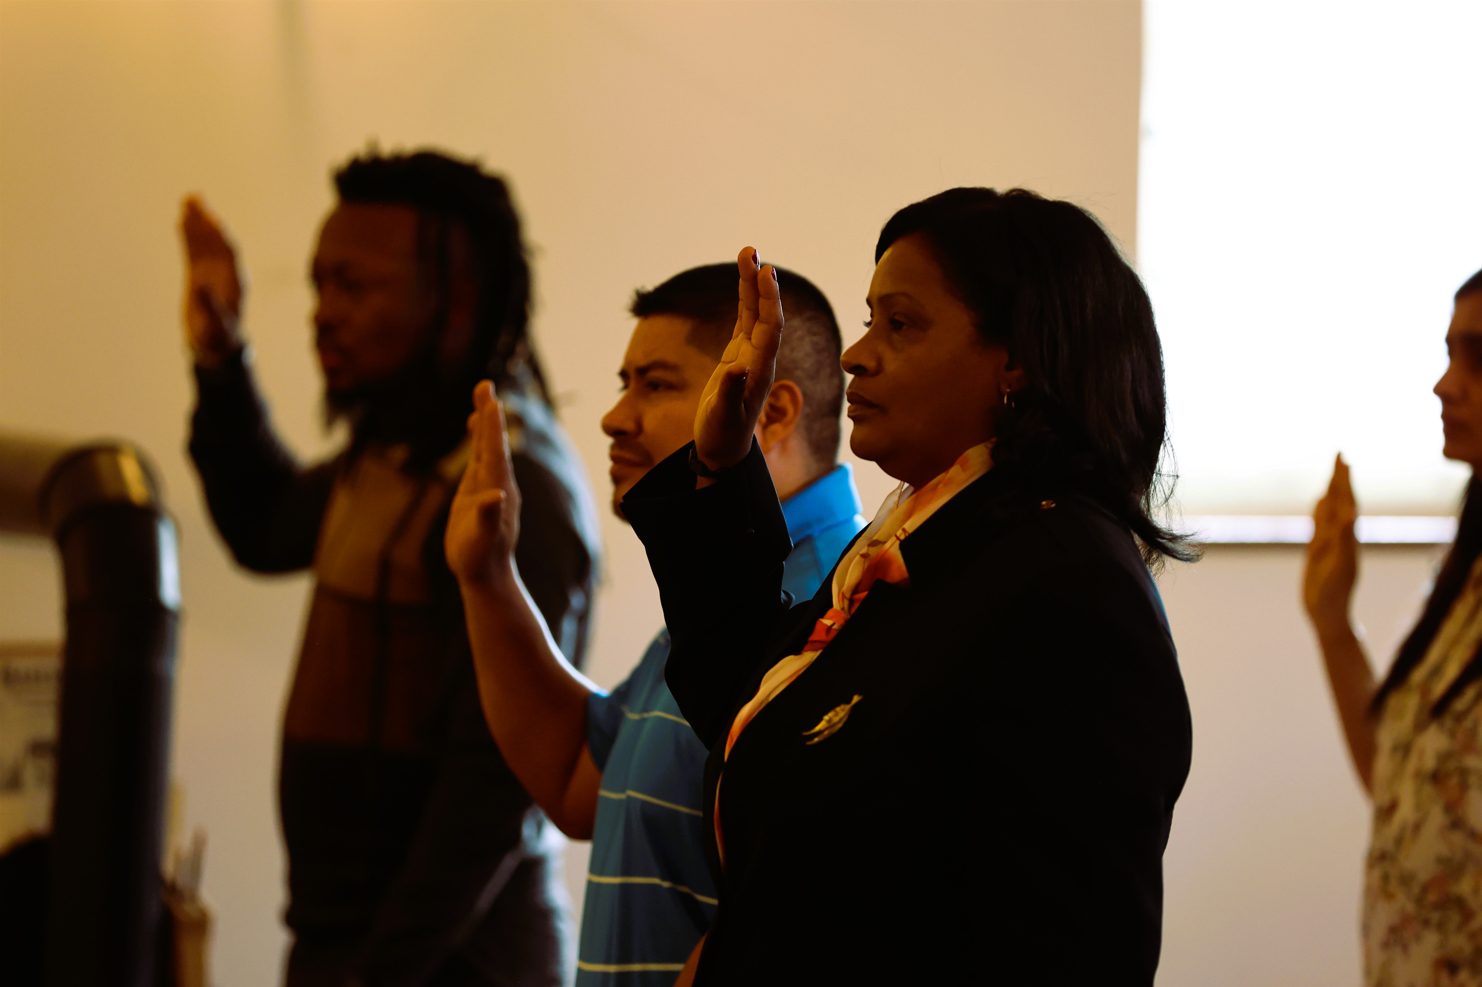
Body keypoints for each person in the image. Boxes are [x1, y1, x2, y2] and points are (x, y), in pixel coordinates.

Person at [611, 188, 1195, 984]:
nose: (856, 354)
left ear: (1016, 356)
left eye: (902, 323)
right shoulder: (922, 539)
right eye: (868, 318)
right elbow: (748, 707)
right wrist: (720, 465)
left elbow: (1068, 948)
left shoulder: (1068, 583)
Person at [179, 150, 601, 987]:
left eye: (355, 286)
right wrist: (223, 359)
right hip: (354, 947)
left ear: (459, 299)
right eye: (318, 285)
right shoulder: (393, 447)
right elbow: (265, 526)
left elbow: (489, 794)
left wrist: (376, 973)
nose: (321, 315)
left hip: (452, 964)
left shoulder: (509, 487)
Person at [443, 264, 865, 986]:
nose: (613, 416)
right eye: (624, 380)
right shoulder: (718, 588)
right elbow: (580, 782)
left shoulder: (843, 604)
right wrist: (486, 577)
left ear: (770, 409)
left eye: (658, 383)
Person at [1304, 269, 1482, 986]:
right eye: (1449, 353)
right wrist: (1331, 620)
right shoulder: (1463, 577)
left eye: (1477, 356)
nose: (1445, 384)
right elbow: (1398, 781)